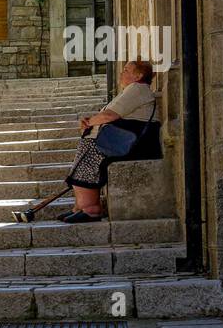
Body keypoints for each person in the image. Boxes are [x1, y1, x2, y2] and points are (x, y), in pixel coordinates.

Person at [61, 59, 161, 223]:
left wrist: (89, 122)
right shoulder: (132, 90)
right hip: (129, 142)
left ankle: (91, 209)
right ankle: (81, 207)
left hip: (136, 145)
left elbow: (110, 116)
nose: (122, 73)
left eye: (127, 70)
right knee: (87, 149)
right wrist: (92, 122)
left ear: (139, 75)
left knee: (90, 153)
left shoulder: (137, 89)